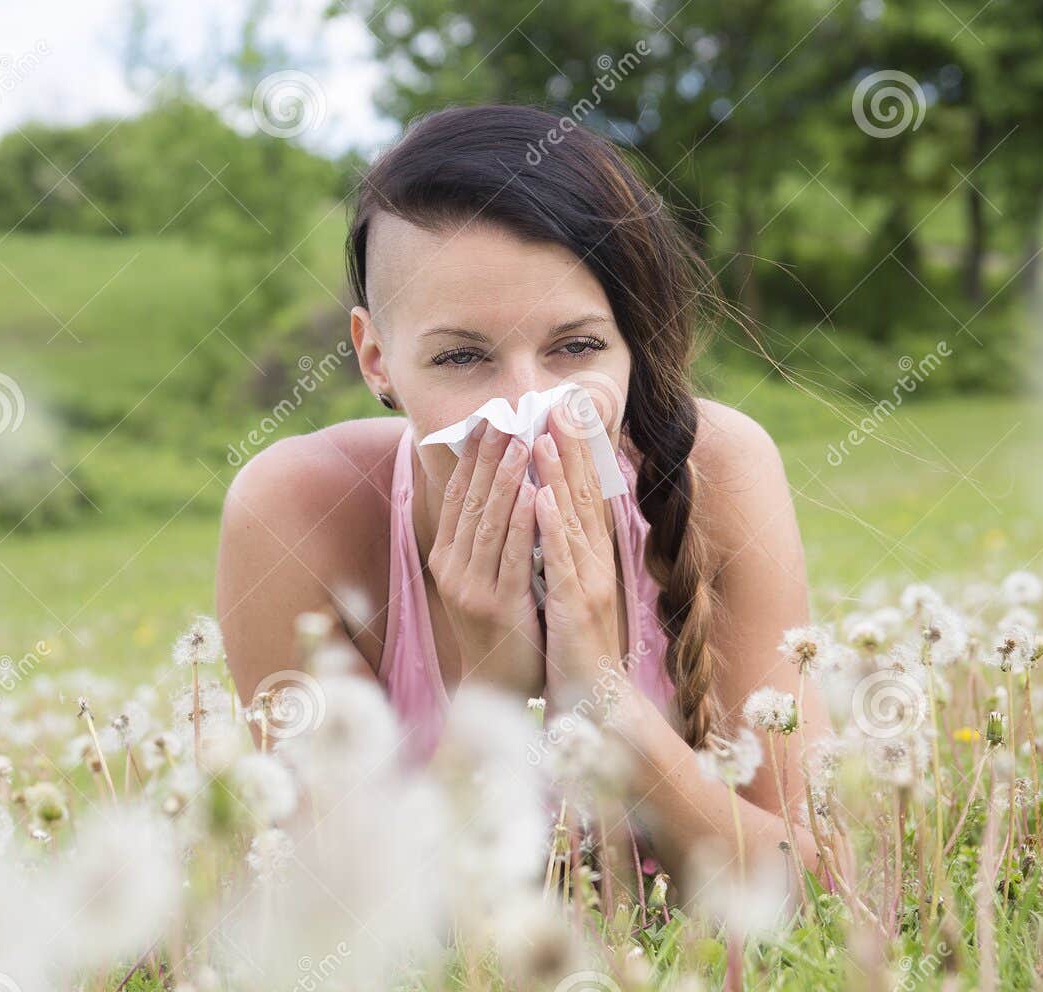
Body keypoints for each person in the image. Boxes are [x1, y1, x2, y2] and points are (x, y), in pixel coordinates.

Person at [218, 105, 829, 881]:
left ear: (634, 342)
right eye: (462, 357)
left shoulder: (719, 471)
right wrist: (491, 701)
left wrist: (609, 702)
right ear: (376, 360)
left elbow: (819, 884)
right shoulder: (298, 512)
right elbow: (328, 913)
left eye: (575, 347)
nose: (525, 409)